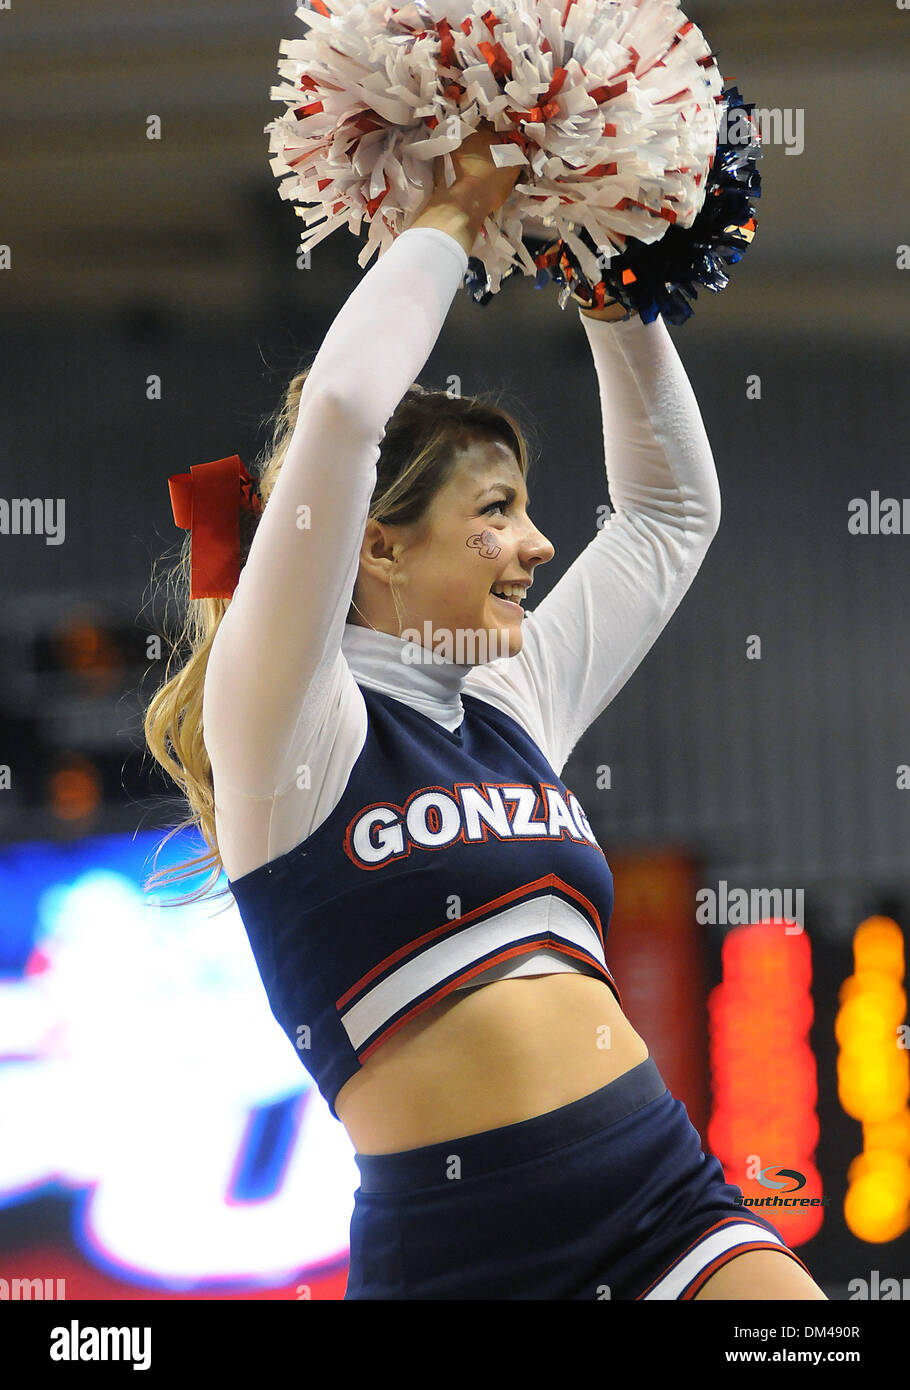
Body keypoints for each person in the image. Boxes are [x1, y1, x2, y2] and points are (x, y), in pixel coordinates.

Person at [146, 126, 827, 1300]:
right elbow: (349, 408)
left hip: (664, 1198)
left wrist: (609, 274)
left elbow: (668, 519)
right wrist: (458, 214)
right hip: (463, 1260)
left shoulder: (507, 700)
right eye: (497, 512)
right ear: (377, 544)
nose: (537, 544)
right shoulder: (289, 735)